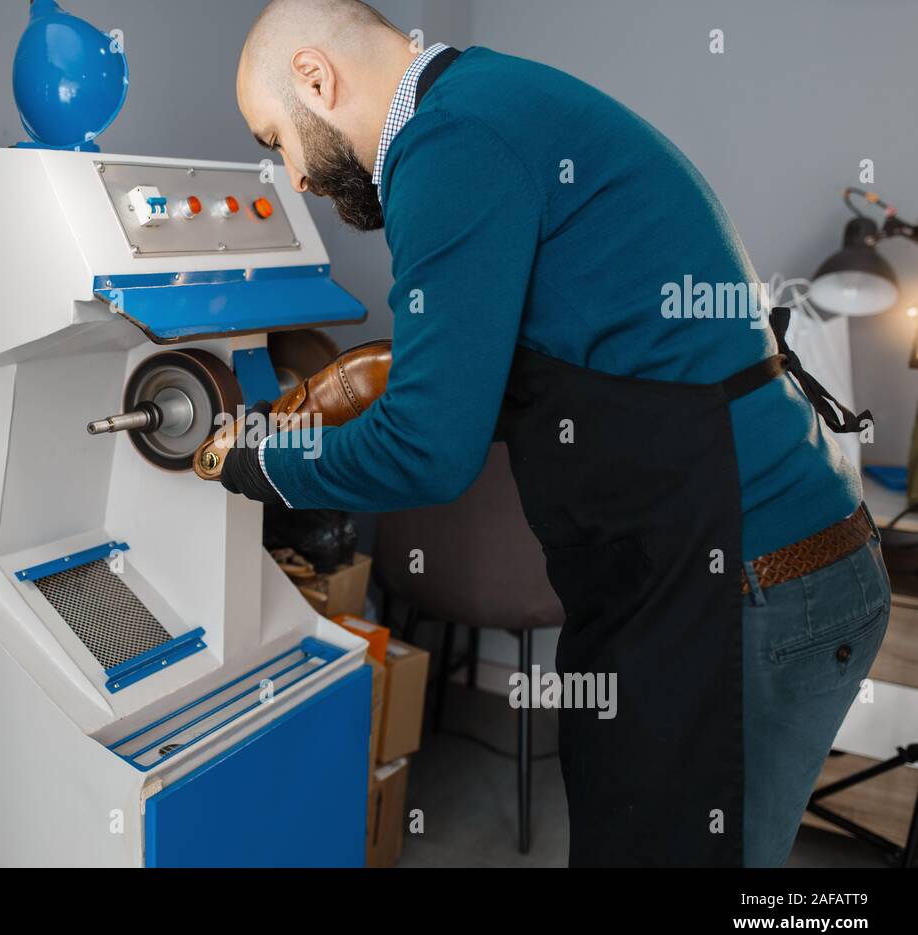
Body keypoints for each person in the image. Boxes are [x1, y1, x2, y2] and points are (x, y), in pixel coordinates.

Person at [226, 0, 890, 867]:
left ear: (316, 78)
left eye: (276, 138)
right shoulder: (489, 102)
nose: (296, 178)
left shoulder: (449, 143)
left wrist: (257, 460)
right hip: (715, 572)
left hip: (754, 583)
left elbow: (429, 446)